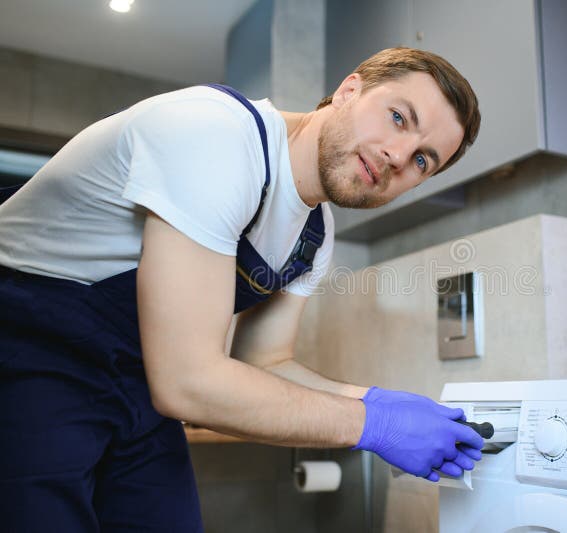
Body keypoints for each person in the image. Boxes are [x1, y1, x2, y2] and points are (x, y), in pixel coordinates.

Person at [0, 47, 482, 531]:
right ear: (348, 90)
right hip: (28, 350)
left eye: (422, 160)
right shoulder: (218, 135)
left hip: (137, 382)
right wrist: (372, 425)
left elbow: (264, 362)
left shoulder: (314, 235)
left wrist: (373, 400)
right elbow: (186, 380)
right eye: (398, 117)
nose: (397, 156)